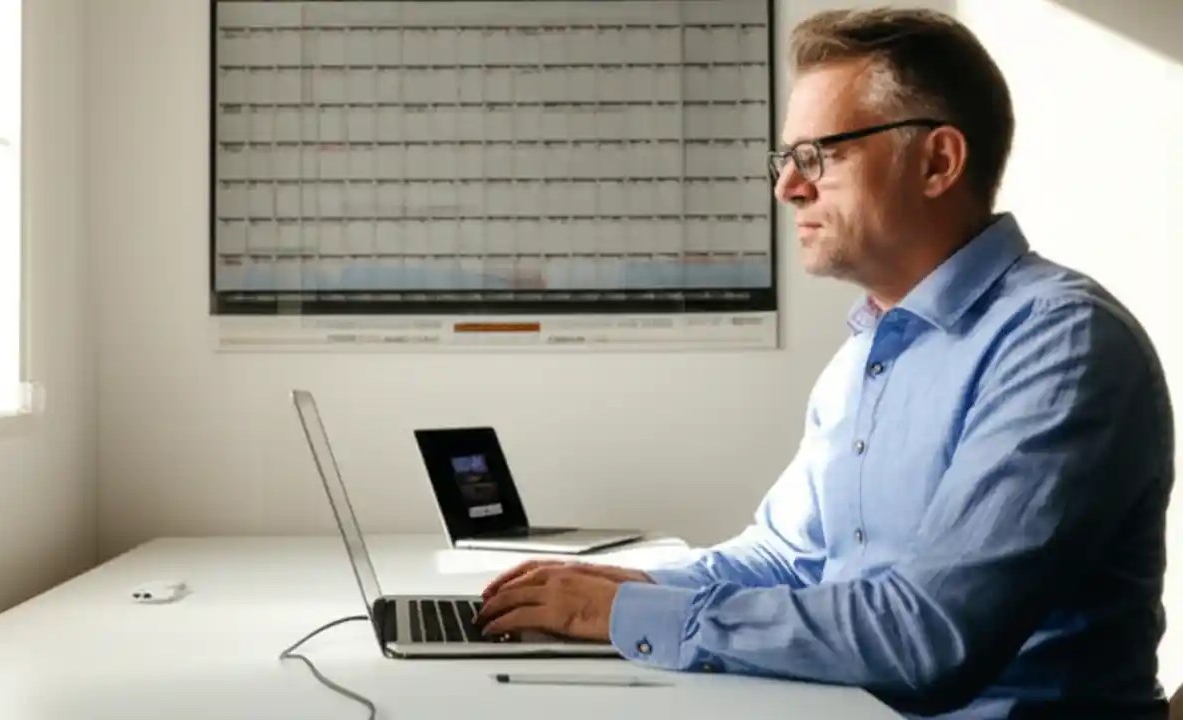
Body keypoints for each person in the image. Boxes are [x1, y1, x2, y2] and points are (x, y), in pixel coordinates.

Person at [476, 8, 1174, 719]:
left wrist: (638, 617)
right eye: (787, 160)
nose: (787, 189)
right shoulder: (868, 352)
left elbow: (927, 637)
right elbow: (789, 558)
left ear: (938, 161)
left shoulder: (1061, 345)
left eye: (819, 156)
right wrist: (618, 590)